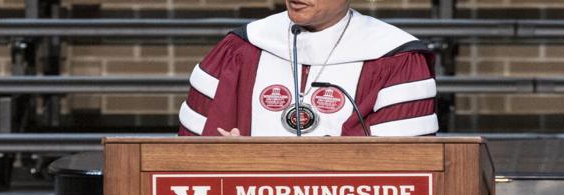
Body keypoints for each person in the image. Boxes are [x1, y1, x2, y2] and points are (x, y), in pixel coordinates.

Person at [179, 0, 437, 138]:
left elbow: (405, 175)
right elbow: (189, 159)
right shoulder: (240, 49)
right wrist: (225, 158)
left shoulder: (396, 57)